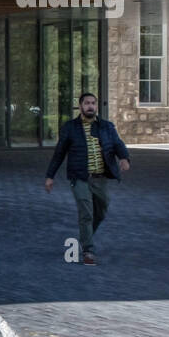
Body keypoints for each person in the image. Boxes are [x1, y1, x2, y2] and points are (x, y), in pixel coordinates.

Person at [44, 92, 131, 265]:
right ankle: (88, 251)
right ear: (80, 106)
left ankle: (85, 237)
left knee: (102, 210)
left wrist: (124, 158)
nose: (90, 106)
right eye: (87, 103)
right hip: (80, 177)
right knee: (86, 213)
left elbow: (118, 144)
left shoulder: (106, 126)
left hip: (100, 178)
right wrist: (50, 176)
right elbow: (59, 153)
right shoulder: (70, 127)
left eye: (93, 103)